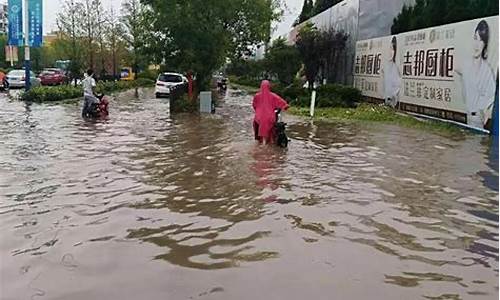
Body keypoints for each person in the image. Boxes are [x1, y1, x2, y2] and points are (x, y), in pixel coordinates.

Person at [456, 20, 496, 130]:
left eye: (481, 40)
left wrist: (485, 112)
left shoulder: (487, 71)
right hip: (467, 118)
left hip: (479, 121)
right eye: (475, 38)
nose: (477, 44)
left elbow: (491, 98)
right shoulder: (465, 65)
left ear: (485, 44)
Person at [252, 80, 289, 145]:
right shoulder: (273, 96)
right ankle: (269, 143)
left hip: (258, 118)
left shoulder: (257, 96)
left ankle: (259, 143)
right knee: (270, 133)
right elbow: (284, 104)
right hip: (270, 118)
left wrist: (258, 111)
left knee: (258, 133)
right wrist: (285, 107)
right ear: (269, 87)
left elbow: (254, 106)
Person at [382, 36, 402, 108]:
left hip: (393, 101)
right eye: (390, 48)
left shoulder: (397, 67)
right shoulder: (386, 66)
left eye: (393, 49)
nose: (391, 51)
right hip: (387, 101)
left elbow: (398, 84)